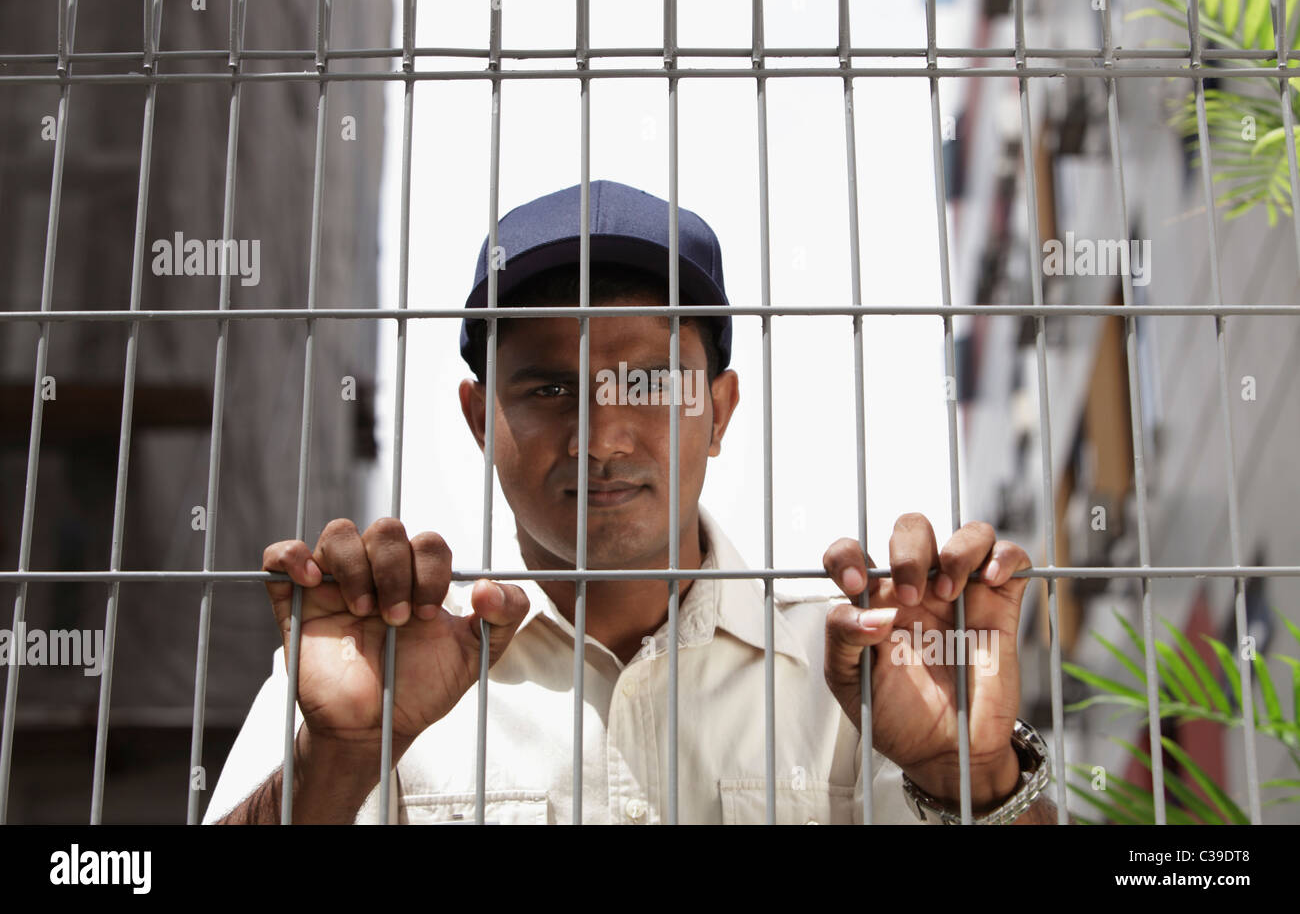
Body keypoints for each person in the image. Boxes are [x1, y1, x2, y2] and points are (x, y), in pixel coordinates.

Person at [204, 179, 1066, 825]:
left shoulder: (859, 669)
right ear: (478, 417)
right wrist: (340, 760)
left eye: (649, 384)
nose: (600, 438)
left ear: (717, 412)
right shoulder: (376, 668)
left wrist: (972, 773)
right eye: (548, 389)